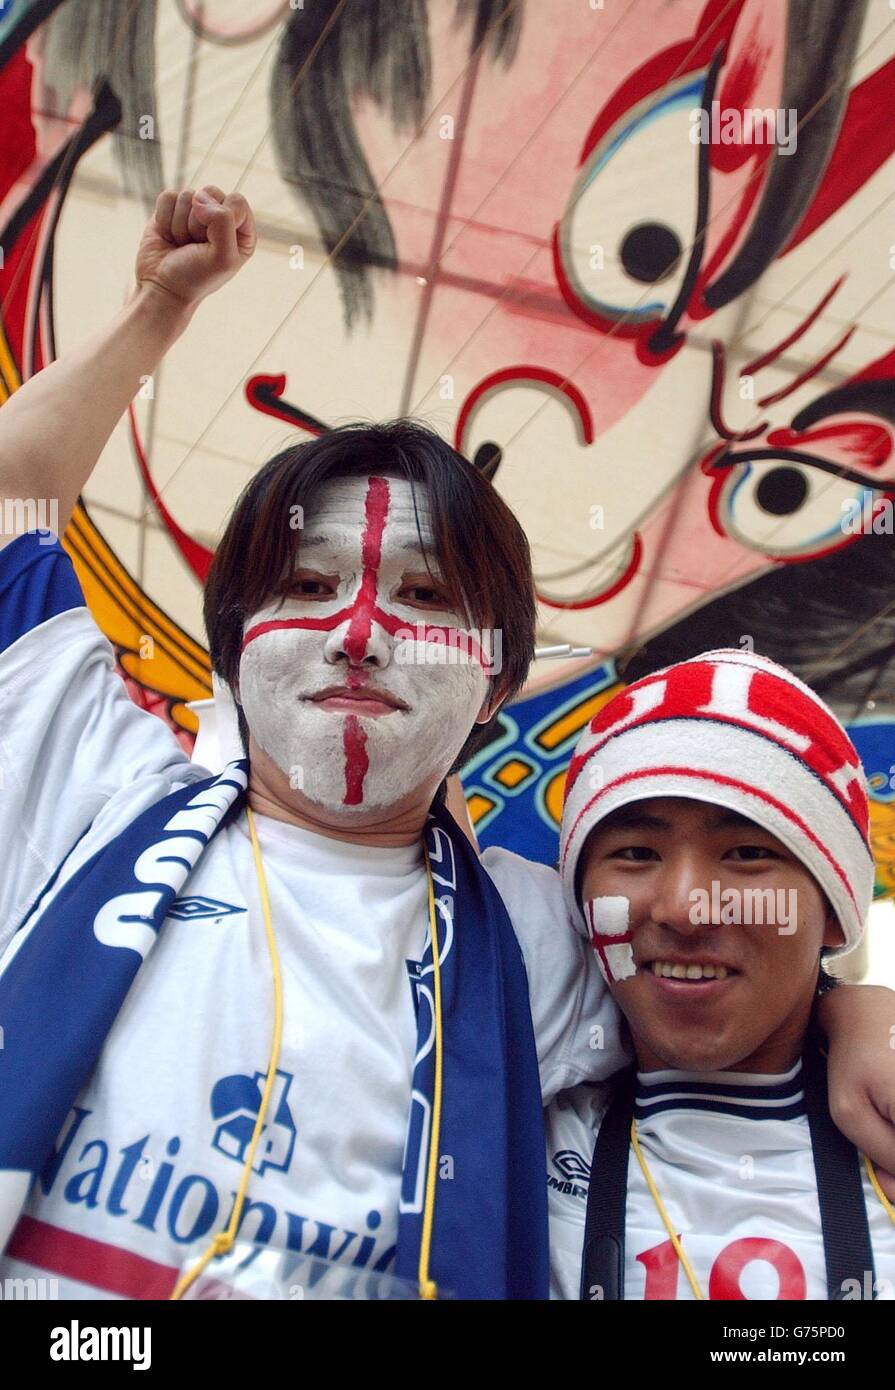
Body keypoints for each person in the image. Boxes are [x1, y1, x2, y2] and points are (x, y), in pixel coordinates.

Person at [0, 189, 892, 1302]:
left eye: (422, 593)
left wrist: (856, 1006)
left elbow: (724, 970)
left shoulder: (541, 933)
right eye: (309, 587)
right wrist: (158, 309)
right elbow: (14, 485)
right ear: (230, 648)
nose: (360, 631)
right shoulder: (83, 775)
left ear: (495, 684)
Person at [548, 648, 895, 1300]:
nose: (683, 907)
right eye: (635, 852)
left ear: (833, 911)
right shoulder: (512, 1131)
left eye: (746, 852)